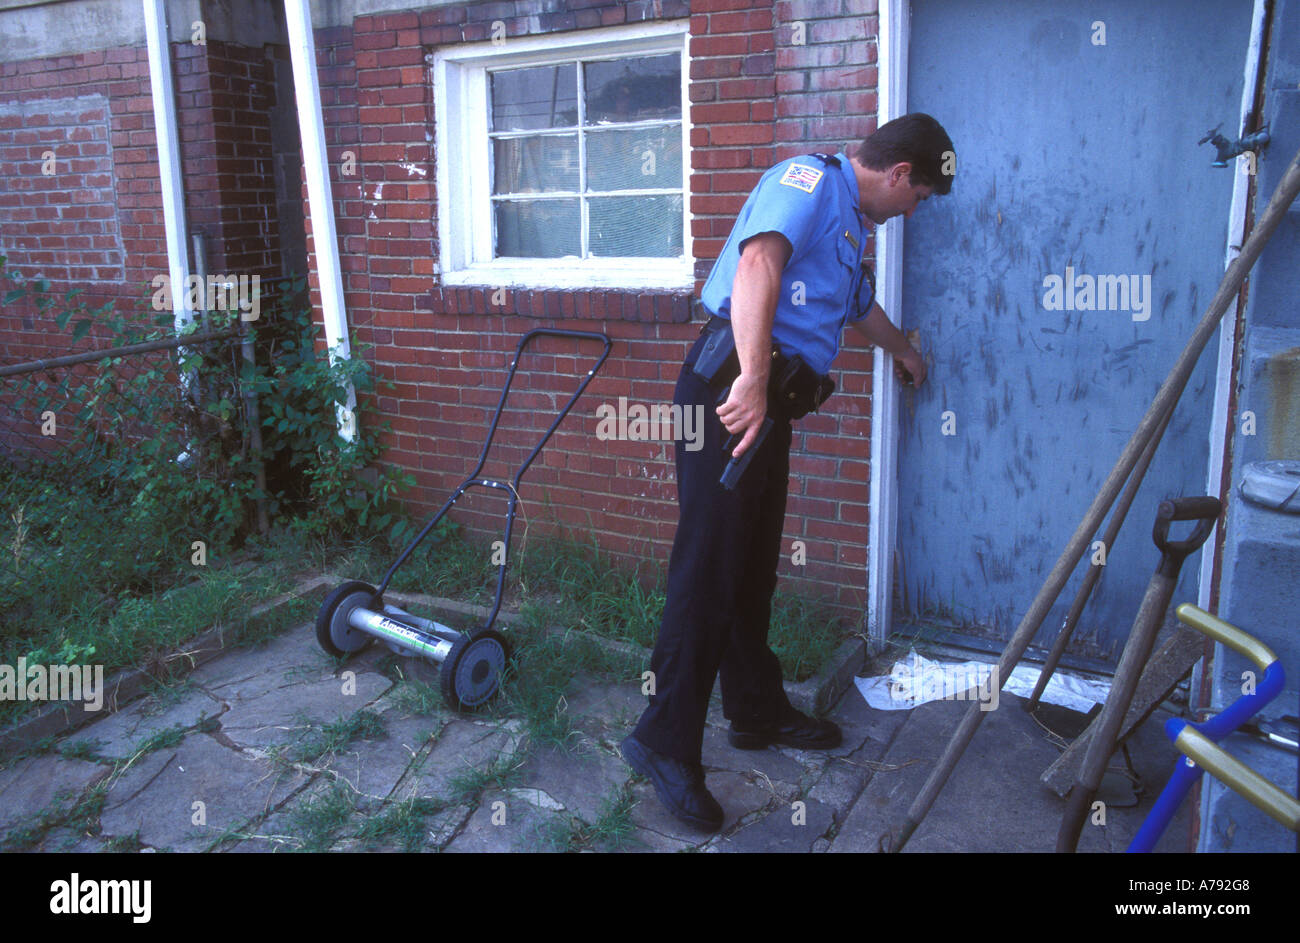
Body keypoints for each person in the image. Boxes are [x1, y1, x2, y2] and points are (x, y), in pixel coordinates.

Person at [620, 113, 955, 831]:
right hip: (732, 396)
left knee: (751, 570)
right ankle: (664, 740)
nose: (915, 208)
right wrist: (749, 379)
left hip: (766, 403)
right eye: (920, 194)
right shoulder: (805, 183)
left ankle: (754, 708)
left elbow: (856, 307)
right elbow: (756, 266)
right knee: (708, 568)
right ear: (899, 174)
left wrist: (903, 350)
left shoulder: (850, 222)